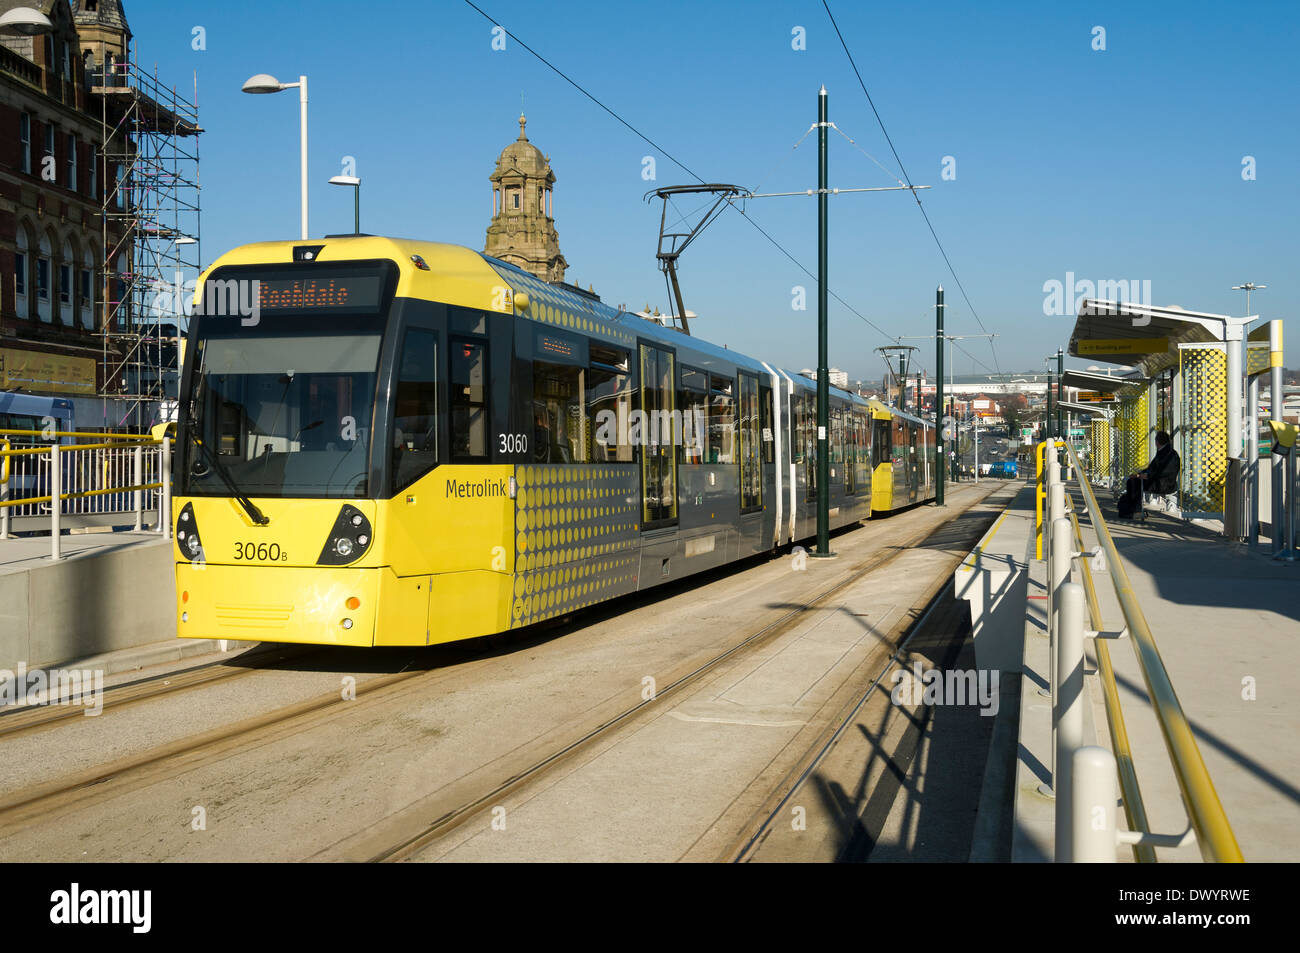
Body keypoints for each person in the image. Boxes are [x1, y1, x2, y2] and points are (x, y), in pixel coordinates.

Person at [1118, 431, 1180, 518]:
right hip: (1163, 482)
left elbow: (1159, 472)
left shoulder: (1166, 454)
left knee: (1134, 483)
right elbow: (1153, 469)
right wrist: (1139, 474)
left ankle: (1135, 509)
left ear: (1157, 442)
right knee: (1133, 481)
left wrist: (1142, 476)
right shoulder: (1167, 452)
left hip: (1162, 484)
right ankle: (1133, 509)